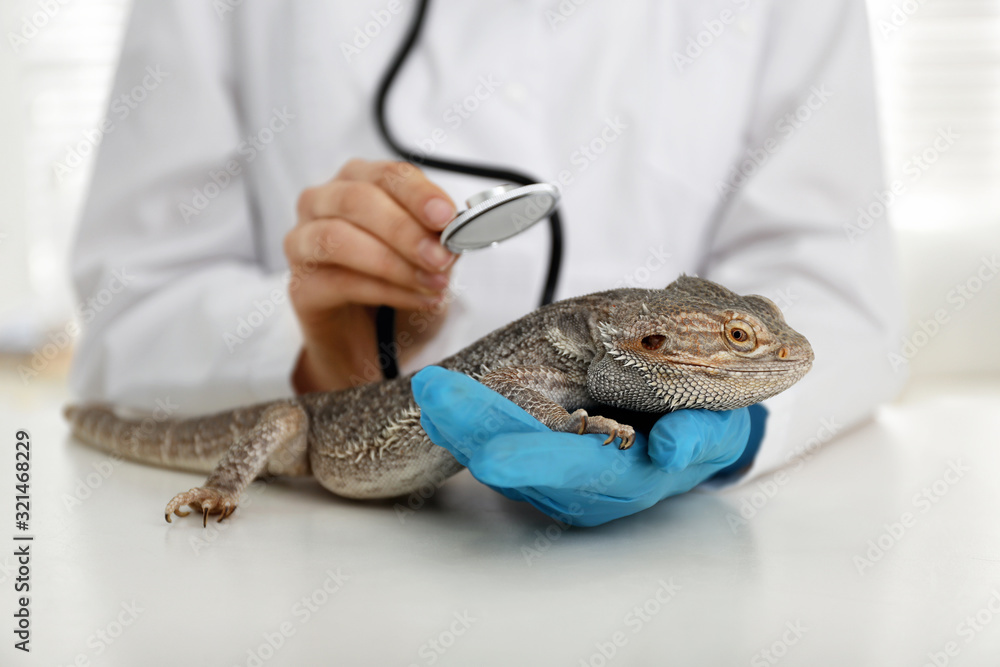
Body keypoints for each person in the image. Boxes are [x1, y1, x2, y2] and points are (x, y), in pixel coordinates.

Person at [70, 0, 905, 525]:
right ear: (644, 345)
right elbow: (135, 297)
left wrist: (737, 429)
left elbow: (834, 277)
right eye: (727, 334)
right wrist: (320, 348)